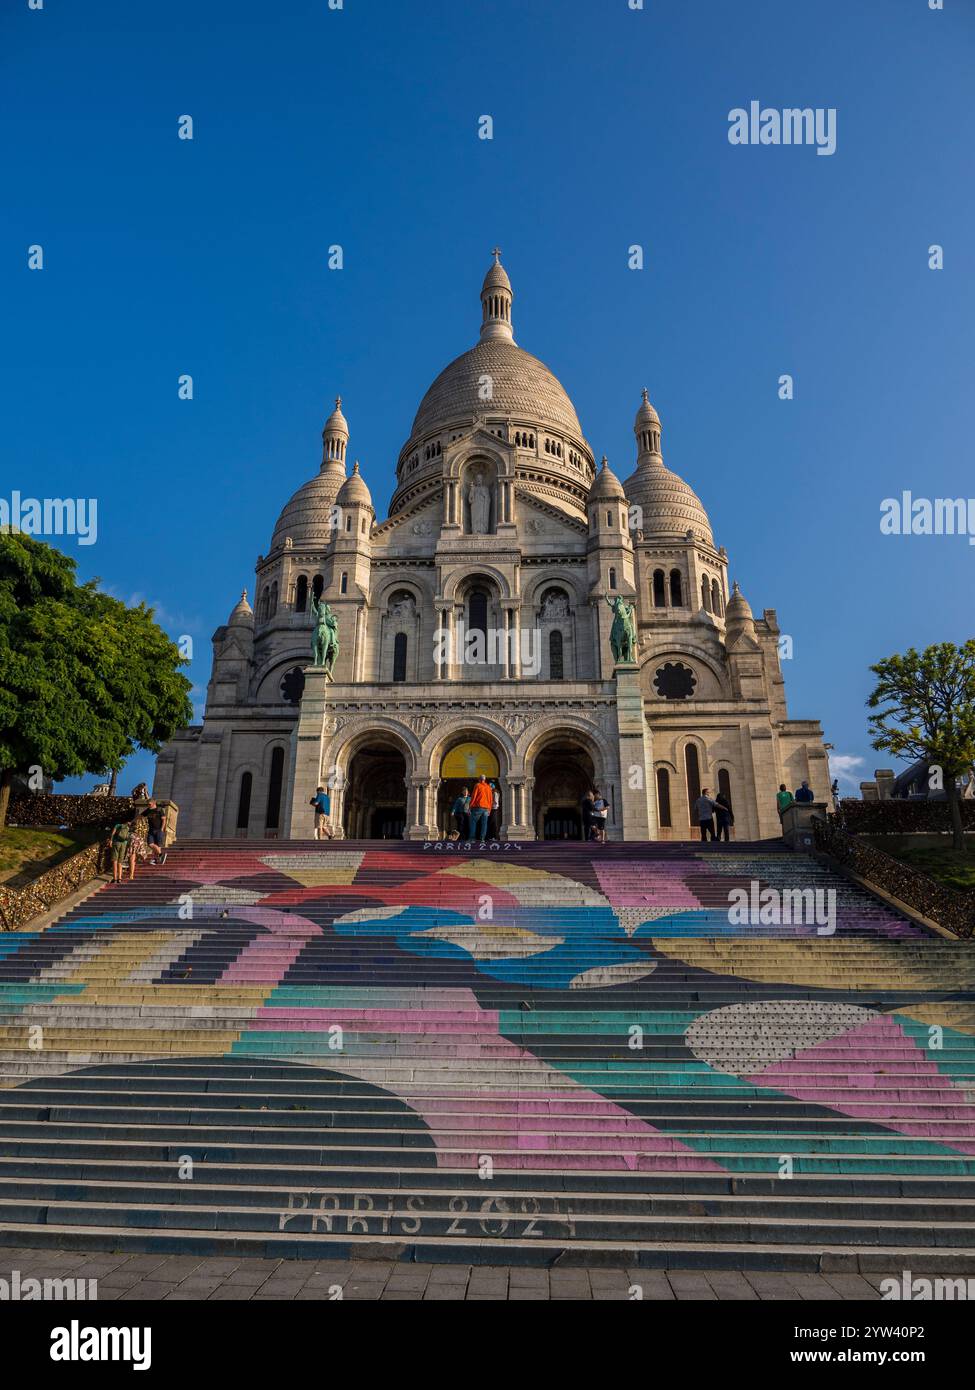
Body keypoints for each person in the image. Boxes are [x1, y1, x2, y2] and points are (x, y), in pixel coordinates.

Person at [468, 774, 493, 843]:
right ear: (485, 780)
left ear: (479, 779)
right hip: (486, 808)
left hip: (478, 807)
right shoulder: (488, 787)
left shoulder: (477, 785)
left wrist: (470, 806)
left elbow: (474, 796)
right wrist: (489, 809)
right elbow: (491, 799)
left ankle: (472, 838)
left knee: (473, 822)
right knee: (484, 824)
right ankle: (482, 839)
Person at [108, 818, 132, 884]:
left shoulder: (118, 825)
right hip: (124, 844)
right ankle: (120, 878)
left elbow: (113, 833)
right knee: (120, 862)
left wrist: (110, 841)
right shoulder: (128, 826)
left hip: (116, 843)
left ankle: (115, 878)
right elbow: (129, 836)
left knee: (115, 861)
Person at [144, 800, 168, 865]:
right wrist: (132, 821)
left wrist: (162, 829)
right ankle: (161, 855)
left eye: (149, 804)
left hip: (158, 830)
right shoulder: (147, 810)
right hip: (151, 830)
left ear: (154, 803)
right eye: (147, 804)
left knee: (157, 845)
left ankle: (154, 859)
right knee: (150, 844)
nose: (148, 805)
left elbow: (164, 819)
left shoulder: (159, 810)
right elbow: (139, 816)